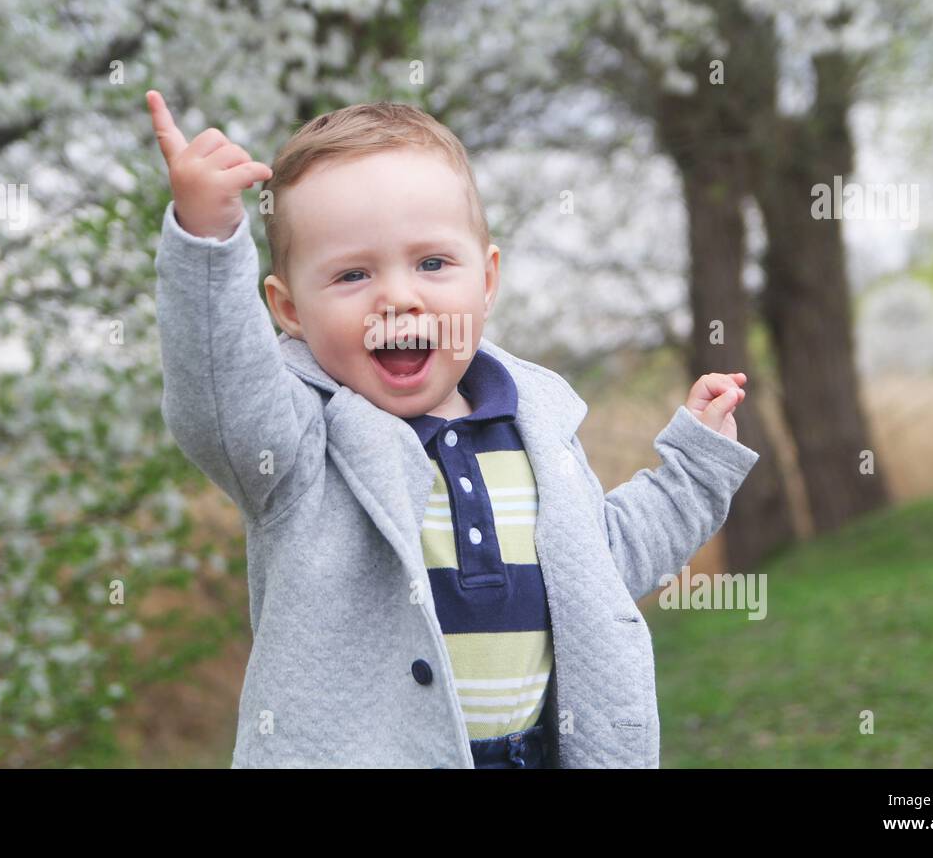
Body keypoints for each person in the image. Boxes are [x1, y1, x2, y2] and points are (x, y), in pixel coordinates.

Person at [147, 90, 759, 768]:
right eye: (352, 274)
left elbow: (604, 562)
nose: (399, 296)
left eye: (433, 263)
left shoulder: (532, 426)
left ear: (486, 280)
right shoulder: (296, 445)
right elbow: (218, 395)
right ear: (289, 310)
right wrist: (206, 244)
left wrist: (698, 467)